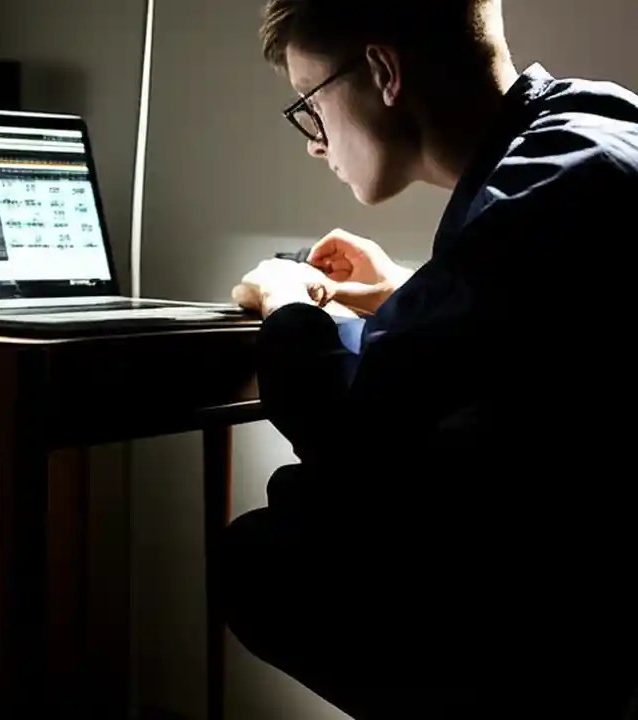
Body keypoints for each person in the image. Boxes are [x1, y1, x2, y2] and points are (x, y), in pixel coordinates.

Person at [224, 1, 638, 717]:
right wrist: (409, 293)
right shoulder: (589, 134)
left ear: (383, 72)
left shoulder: (548, 193)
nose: (316, 144)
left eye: (311, 102)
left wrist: (287, 303)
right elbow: (535, 336)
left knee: (270, 551)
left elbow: (355, 432)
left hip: (591, 619)